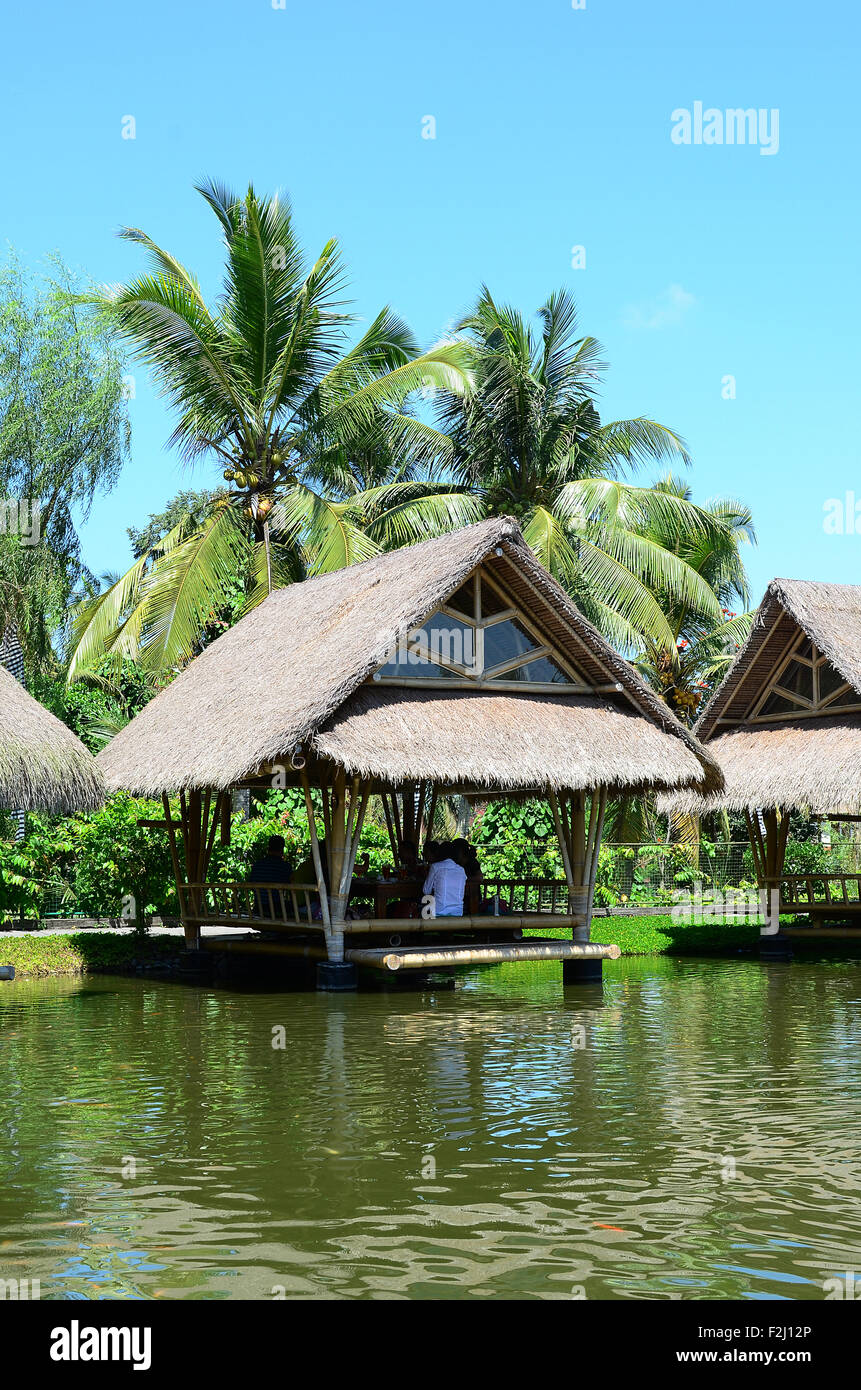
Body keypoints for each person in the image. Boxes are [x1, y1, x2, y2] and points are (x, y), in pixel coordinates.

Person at [249, 835, 291, 918]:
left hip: (259, 909)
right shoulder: (285, 867)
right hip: (277, 909)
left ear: (268, 848)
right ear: (282, 849)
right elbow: (289, 885)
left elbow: (251, 885)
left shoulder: (257, 865)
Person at [423, 841, 467, 918]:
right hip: (458, 913)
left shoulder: (435, 867)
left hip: (438, 912)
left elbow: (426, 891)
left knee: (422, 910)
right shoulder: (461, 870)